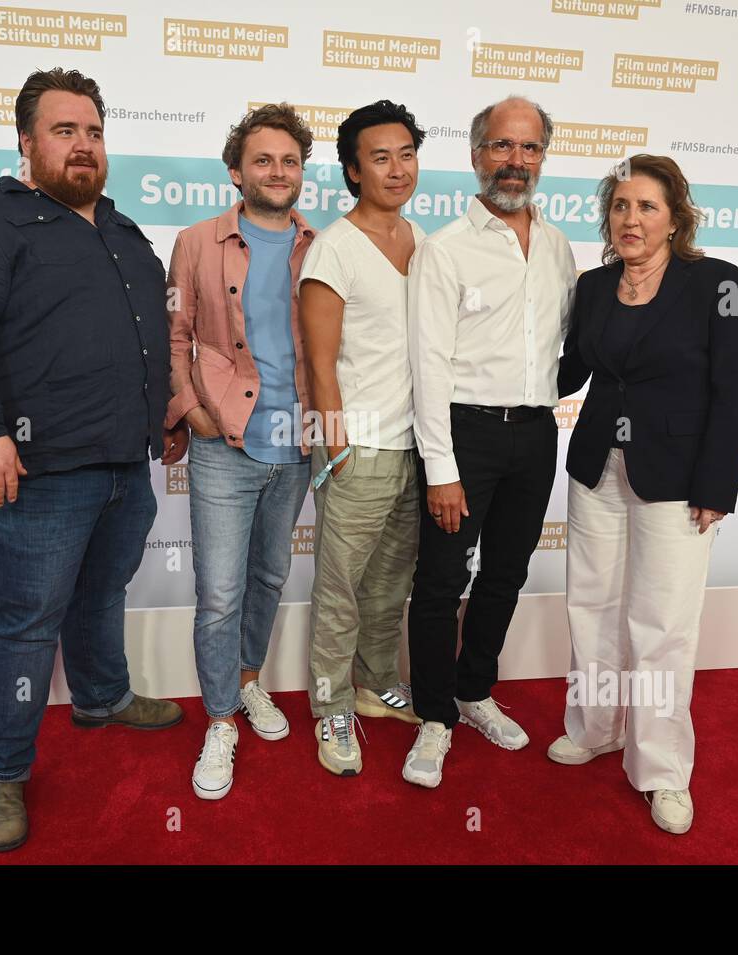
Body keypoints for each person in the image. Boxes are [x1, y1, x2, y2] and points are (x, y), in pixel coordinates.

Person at [0, 68, 187, 852]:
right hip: (34, 473)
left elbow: (144, 343)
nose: (83, 145)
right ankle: (0, 773)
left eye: (94, 132)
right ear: (27, 143)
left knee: (103, 592)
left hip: (123, 466)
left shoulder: (126, 234)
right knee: (23, 624)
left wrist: (163, 413)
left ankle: (101, 697)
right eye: (65, 131)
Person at [546, 154, 738, 835]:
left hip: (678, 475)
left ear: (675, 218)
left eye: (647, 207)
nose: (631, 219)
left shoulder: (716, 282)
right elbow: (569, 371)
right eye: (620, 206)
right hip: (596, 467)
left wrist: (717, 484)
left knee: (662, 625)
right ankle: (597, 726)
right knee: (592, 606)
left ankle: (662, 768)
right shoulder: (597, 285)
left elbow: (735, 388)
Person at [402, 96, 576, 788]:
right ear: (477, 156)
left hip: (536, 435)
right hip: (464, 435)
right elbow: (428, 367)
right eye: (502, 146)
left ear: (541, 158)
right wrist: (441, 468)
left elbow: (569, 348)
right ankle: (435, 716)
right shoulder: (445, 249)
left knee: (506, 573)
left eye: (529, 148)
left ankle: (475, 690)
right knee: (442, 579)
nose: (516, 161)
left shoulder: (560, 246)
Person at [165, 104, 317, 800]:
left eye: (289, 161)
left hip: (297, 447)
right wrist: (190, 409)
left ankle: (251, 680)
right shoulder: (197, 241)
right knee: (219, 594)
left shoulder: (324, 244)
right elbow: (174, 335)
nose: (277, 171)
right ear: (237, 171)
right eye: (263, 160)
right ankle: (220, 718)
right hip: (224, 444)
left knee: (267, 577)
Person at [299, 100, 427, 776]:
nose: (397, 168)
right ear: (353, 169)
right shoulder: (334, 247)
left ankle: (377, 686)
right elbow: (321, 361)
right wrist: (337, 447)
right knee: (341, 586)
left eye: (406, 153)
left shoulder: (421, 239)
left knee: (389, 583)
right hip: (358, 447)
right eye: (381, 157)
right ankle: (330, 708)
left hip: (414, 446)